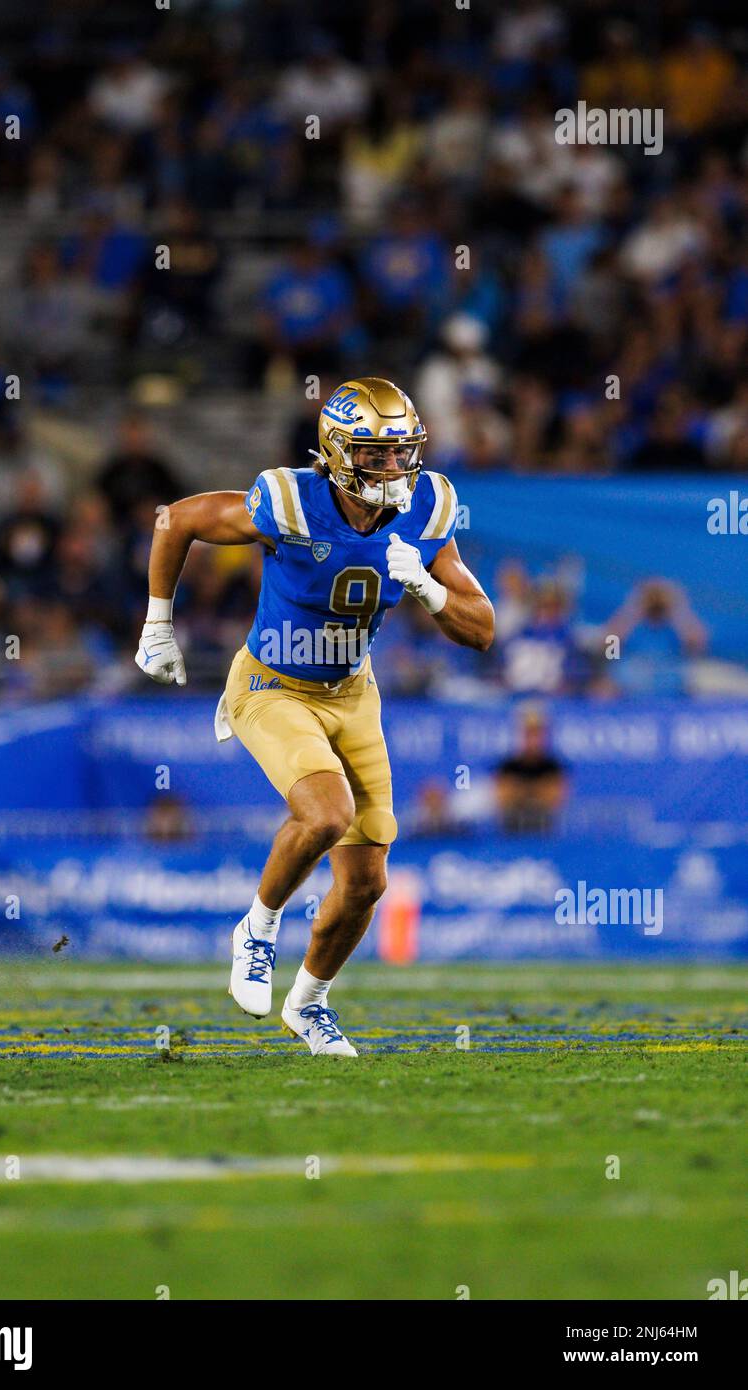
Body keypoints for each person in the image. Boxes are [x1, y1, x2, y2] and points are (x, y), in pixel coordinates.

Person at [135, 377, 494, 1055]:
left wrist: (426, 589)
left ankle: (308, 1004)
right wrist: (157, 623)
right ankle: (258, 929)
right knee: (325, 813)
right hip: (272, 684)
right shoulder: (289, 501)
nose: (394, 468)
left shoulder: (428, 507)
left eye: (401, 452)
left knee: (365, 882)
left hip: (353, 692)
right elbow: (174, 519)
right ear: (334, 452)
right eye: (376, 454)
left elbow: (481, 630)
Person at [494, 706, 567, 833]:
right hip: (513, 826)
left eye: (537, 735)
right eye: (529, 735)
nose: (533, 740)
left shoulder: (553, 766)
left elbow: (555, 798)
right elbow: (503, 798)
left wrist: (521, 791)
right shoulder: (508, 766)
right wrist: (536, 792)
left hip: (543, 826)